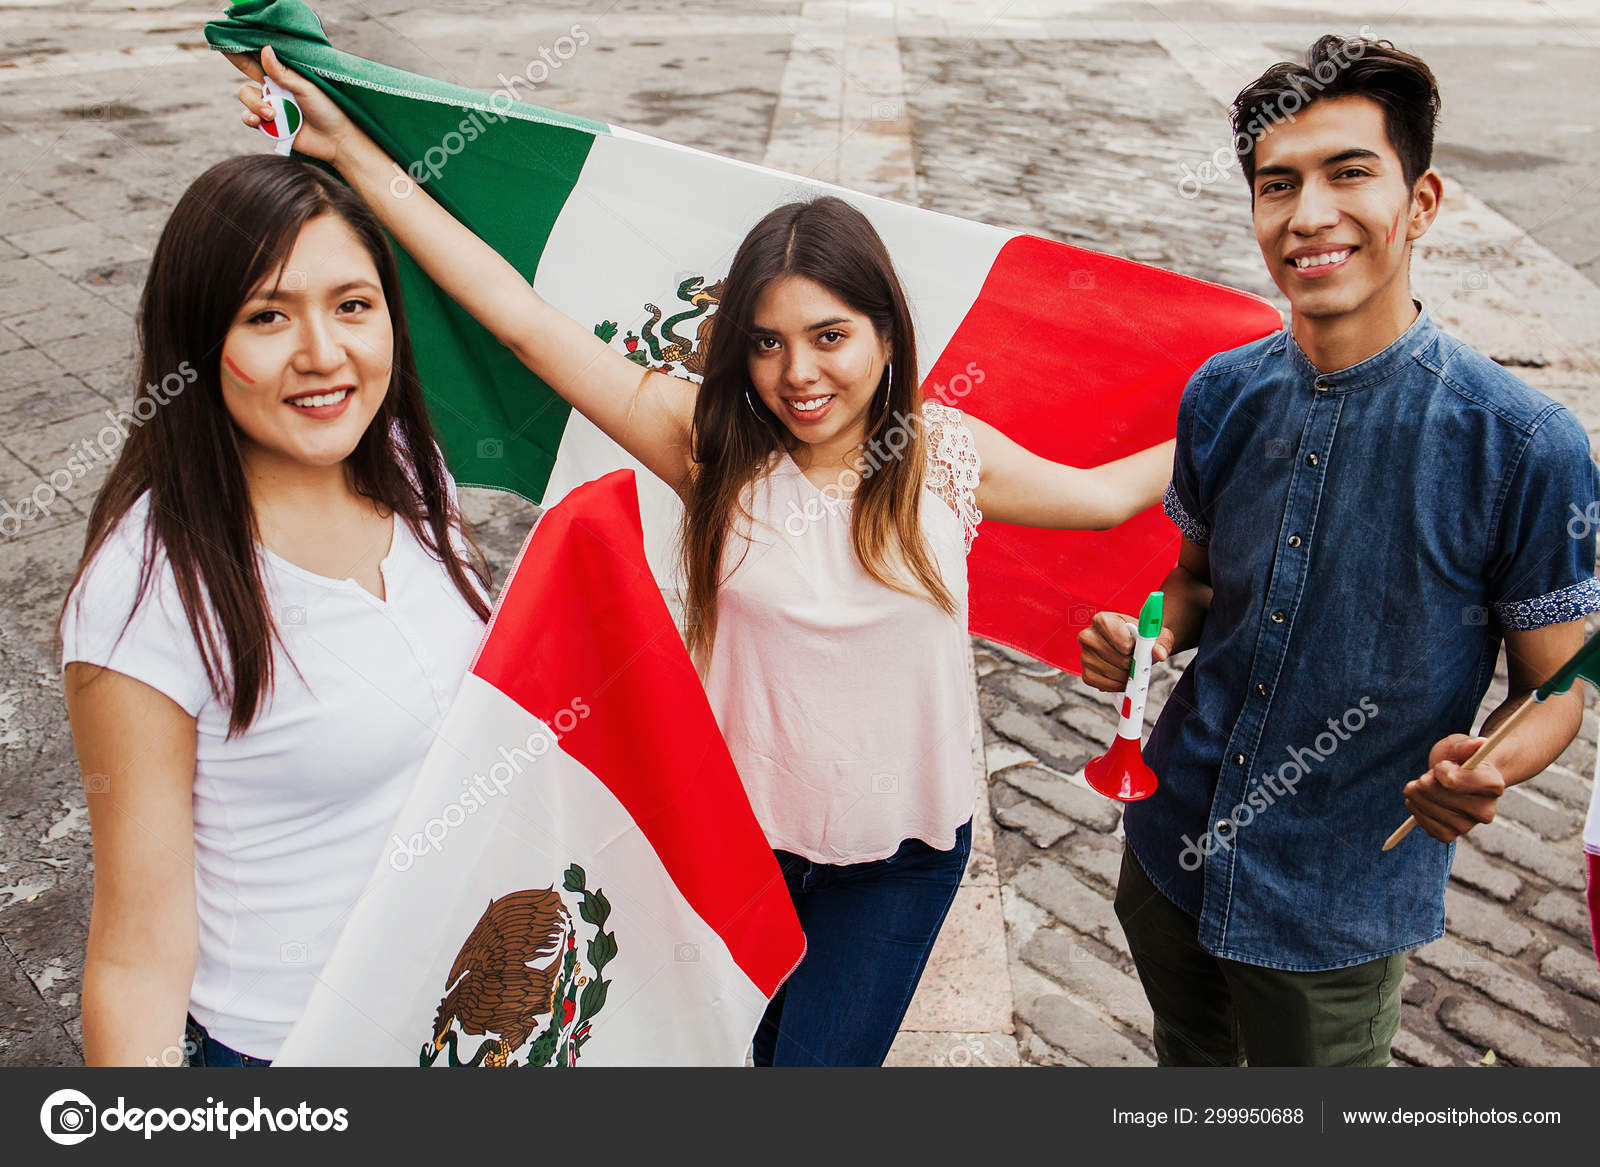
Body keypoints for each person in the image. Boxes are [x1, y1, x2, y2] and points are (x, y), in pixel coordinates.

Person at [231, 45, 1173, 1066]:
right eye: (765, 342)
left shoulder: (943, 453)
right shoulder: (708, 448)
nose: (798, 373)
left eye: (829, 336)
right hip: (728, 855)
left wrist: (1290, 373)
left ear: (887, 335)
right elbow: (519, 322)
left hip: (900, 863)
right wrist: (353, 156)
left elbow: (1107, 495)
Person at [1080, 35, 1600, 1066]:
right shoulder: (1219, 394)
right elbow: (1191, 581)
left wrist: (1485, 768)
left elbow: (1557, 687)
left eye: (1349, 173)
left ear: (1422, 202)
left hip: (1335, 906)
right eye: (1279, 185)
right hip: (1168, 850)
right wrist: (1145, 640)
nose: (1308, 214)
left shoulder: (1523, 444)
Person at [60, 153, 493, 1067]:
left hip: (459, 1021)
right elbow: (136, 959)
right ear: (196, 339)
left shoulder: (414, 468)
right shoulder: (146, 593)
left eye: (352, 304)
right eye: (267, 315)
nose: (323, 354)